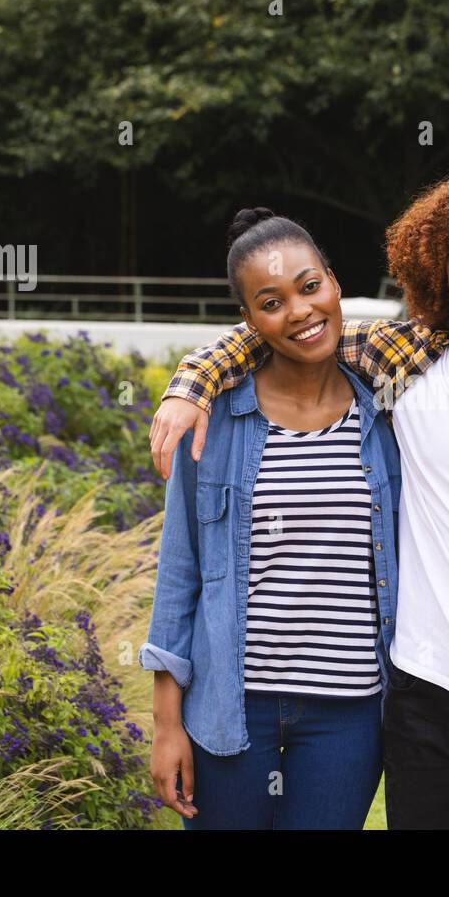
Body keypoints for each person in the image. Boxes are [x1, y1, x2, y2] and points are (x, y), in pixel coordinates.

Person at [149, 172, 449, 829]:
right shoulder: (406, 360)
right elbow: (282, 326)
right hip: (419, 705)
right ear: (439, 262)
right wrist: (190, 385)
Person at [140, 207, 401, 829]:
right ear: (250, 322)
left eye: (310, 287)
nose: (301, 311)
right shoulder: (215, 424)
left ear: (334, 283)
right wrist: (166, 725)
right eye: (271, 301)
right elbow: (181, 576)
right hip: (231, 708)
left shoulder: (389, 415)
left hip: (350, 714)